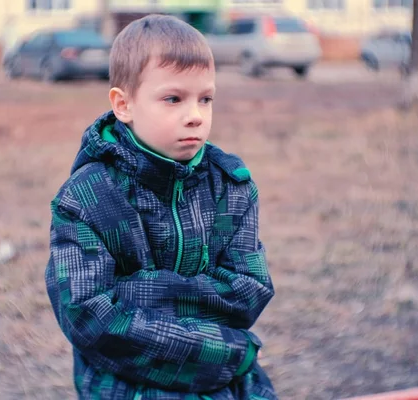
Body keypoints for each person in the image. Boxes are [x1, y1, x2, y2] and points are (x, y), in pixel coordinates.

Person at [44, 14, 277, 400]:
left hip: (227, 387)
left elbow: (250, 291)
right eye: (173, 98)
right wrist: (221, 346)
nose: (195, 115)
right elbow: (89, 319)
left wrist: (135, 293)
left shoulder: (232, 186)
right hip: (128, 389)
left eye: (206, 98)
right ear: (124, 104)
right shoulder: (86, 199)